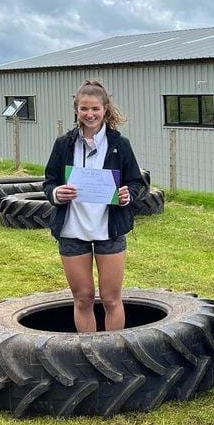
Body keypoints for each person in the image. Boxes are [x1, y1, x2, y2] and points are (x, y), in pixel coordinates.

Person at [43, 80, 144, 333]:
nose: (90, 114)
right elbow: (49, 182)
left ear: (105, 109)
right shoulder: (63, 144)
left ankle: (114, 350)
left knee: (111, 299)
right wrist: (56, 193)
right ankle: (88, 352)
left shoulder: (120, 145)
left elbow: (136, 182)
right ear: (76, 109)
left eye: (95, 109)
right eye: (84, 109)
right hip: (72, 230)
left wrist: (127, 195)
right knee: (83, 299)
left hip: (109, 230)